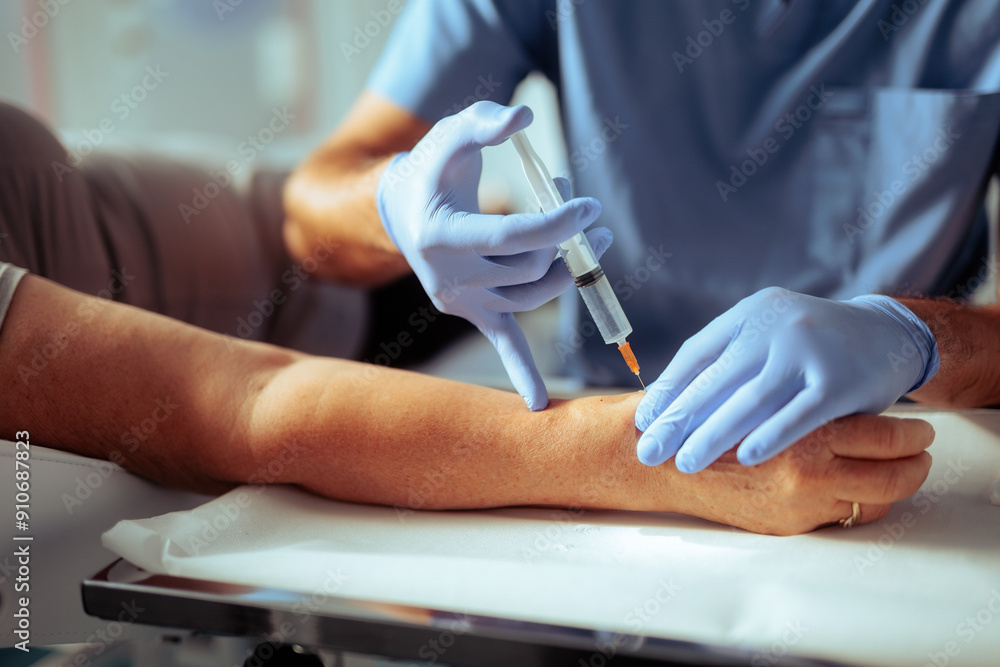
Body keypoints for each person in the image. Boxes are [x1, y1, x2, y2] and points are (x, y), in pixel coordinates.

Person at [0, 101, 932, 536]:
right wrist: (649, 453)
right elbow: (235, 403)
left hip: (259, 260)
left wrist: (389, 205)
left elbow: (299, 209)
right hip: (247, 340)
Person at [283, 0, 1000, 480]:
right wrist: (395, 201)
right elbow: (309, 217)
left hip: (902, 440)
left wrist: (915, 337)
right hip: (616, 408)